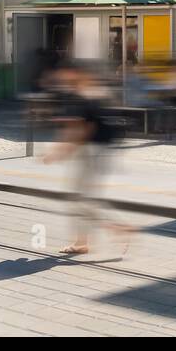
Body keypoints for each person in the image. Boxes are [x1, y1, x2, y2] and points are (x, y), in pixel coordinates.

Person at [45, 62, 129, 257]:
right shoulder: (96, 92)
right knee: (82, 198)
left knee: (81, 199)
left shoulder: (79, 96)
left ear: (74, 73)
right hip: (100, 151)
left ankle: (118, 229)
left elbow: (82, 130)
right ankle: (82, 242)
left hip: (90, 152)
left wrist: (59, 152)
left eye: (64, 73)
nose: (61, 77)